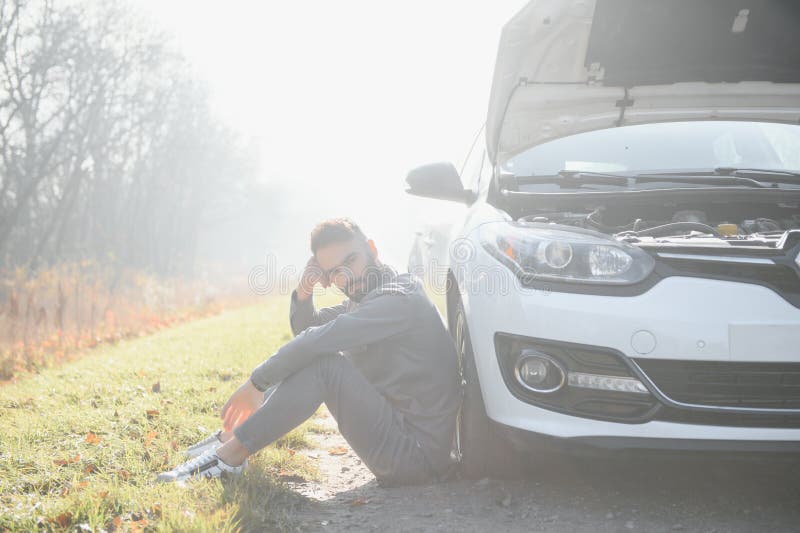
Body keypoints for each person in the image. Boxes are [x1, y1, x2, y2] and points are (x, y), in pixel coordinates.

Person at [157, 217, 461, 487]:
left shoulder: (397, 299)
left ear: (372, 248)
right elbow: (310, 330)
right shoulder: (369, 295)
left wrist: (256, 383)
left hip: (418, 456)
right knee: (317, 356)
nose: (347, 277)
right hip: (402, 437)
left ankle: (228, 458)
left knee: (325, 366)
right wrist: (305, 290)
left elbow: (315, 341)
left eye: (351, 260)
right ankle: (229, 441)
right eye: (335, 272)